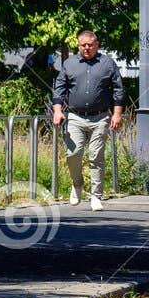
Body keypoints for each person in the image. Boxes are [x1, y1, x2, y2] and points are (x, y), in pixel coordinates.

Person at [50, 29, 125, 210]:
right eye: (83, 45)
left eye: (90, 45)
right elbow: (59, 89)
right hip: (75, 116)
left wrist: (117, 114)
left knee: (96, 155)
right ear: (78, 46)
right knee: (73, 154)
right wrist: (58, 111)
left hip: (100, 117)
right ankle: (77, 185)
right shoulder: (70, 64)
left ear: (96, 44)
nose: (86, 48)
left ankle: (96, 196)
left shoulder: (108, 64)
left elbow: (118, 90)